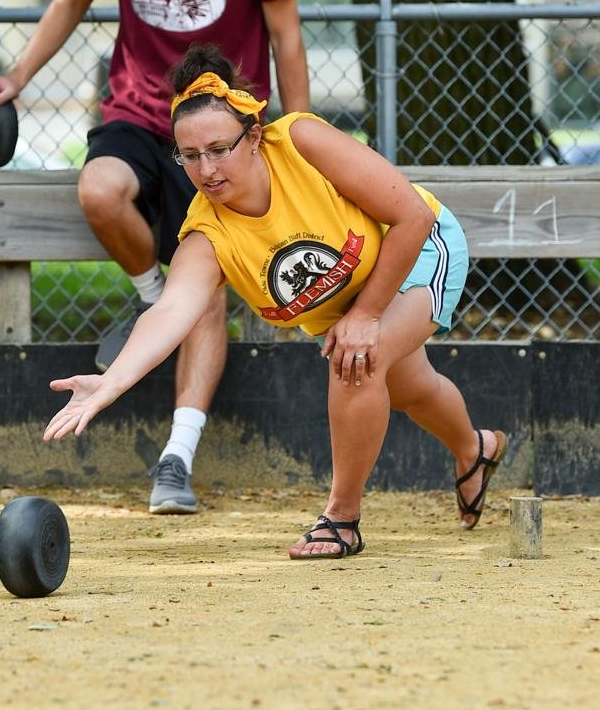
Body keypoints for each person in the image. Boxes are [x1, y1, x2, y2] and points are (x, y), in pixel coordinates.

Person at [0, 0, 310, 515]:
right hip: (138, 118)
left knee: (206, 297)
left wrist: (299, 133)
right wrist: (16, 78)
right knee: (100, 190)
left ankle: (176, 461)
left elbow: (286, 34)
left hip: (218, 133)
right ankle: (155, 300)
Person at [43, 43, 508, 559]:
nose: (206, 169)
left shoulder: (299, 141)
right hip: (354, 296)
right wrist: (111, 382)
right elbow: (170, 312)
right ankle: (475, 448)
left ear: (254, 137)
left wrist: (366, 314)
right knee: (412, 389)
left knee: (355, 361)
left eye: (219, 149)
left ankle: (341, 519)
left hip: (420, 250)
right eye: (190, 156)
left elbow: (411, 218)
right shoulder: (205, 235)